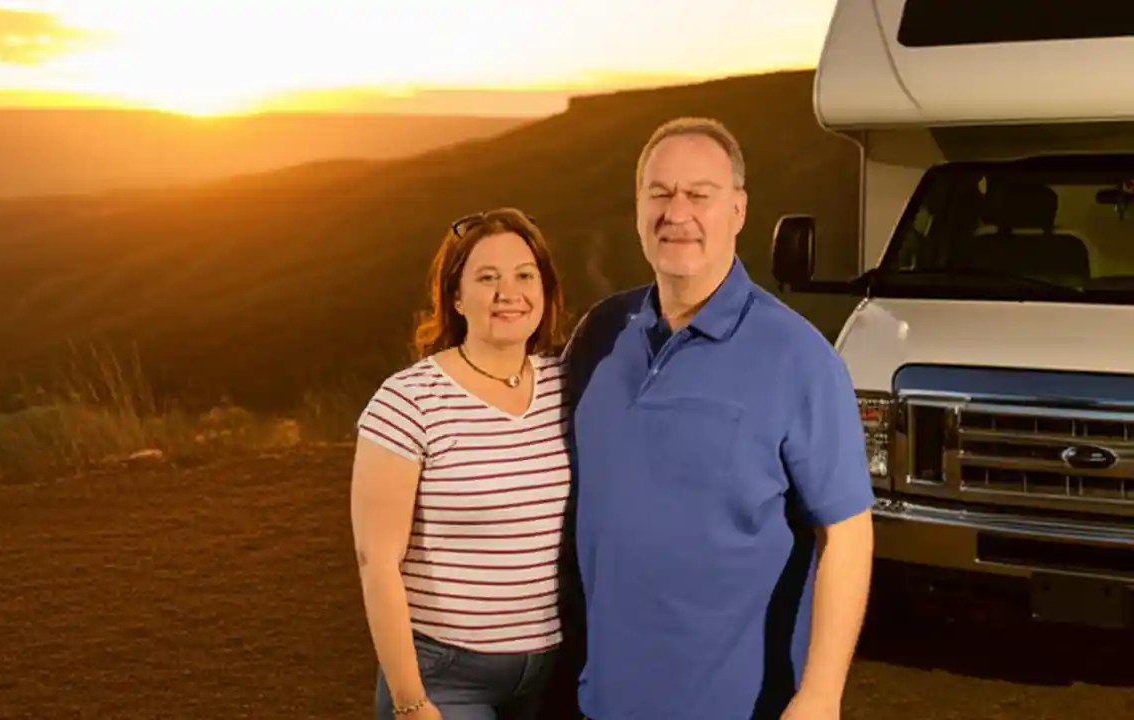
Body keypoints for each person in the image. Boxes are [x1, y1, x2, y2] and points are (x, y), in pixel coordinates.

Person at [563, 117, 876, 719]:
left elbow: (849, 532)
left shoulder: (799, 357)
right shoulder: (600, 335)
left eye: (698, 195)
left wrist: (820, 695)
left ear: (738, 208)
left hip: (735, 704)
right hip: (601, 699)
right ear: (637, 207)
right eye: (659, 193)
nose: (676, 212)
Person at [350, 207, 573, 720]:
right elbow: (377, 563)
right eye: (486, 278)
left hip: (554, 672)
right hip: (446, 676)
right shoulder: (408, 402)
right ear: (455, 296)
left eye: (524, 275)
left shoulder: (569, 384)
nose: (508, 293)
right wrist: (411, 702)